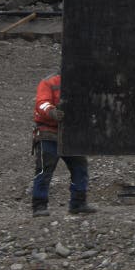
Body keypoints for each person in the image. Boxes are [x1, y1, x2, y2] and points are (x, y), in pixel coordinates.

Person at [31, 72, 97, 217]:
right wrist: (52, 112)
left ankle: (78, 203)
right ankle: (39, 205)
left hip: (70, 134)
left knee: (80, 166)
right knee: (44, 169)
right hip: (48, 133)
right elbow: (41, 103)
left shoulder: (79, 83)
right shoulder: (49, 82)